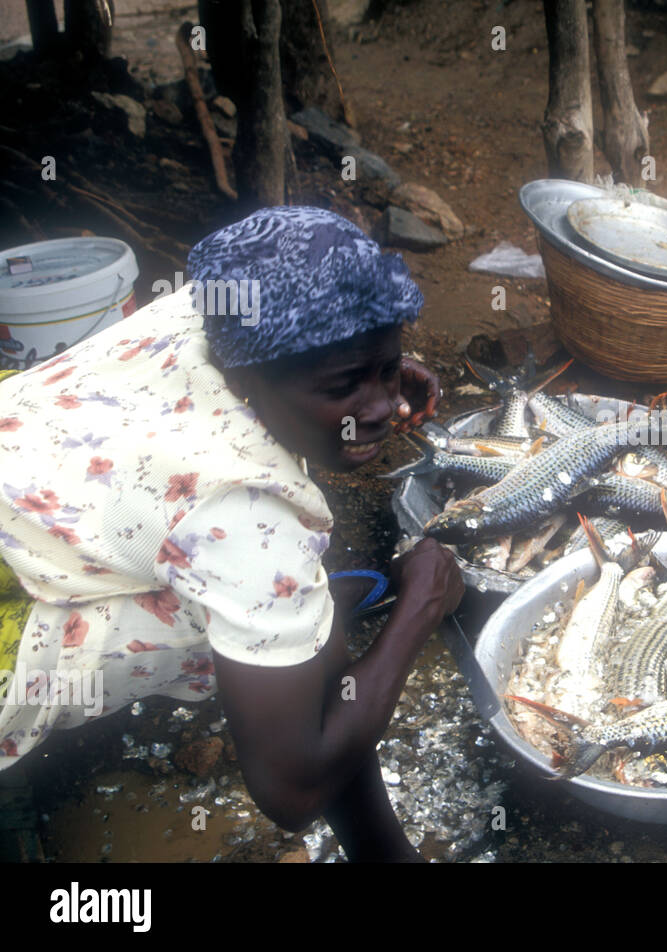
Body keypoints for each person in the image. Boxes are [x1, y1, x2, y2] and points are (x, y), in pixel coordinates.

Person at [0, 206, 464, 860]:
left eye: (387, 373)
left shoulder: (217, 306)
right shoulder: (246, 520)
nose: (385, 409)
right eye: (345, 385)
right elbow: (290, 792)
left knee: (293, 608)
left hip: (23, 480)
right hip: (11, 600)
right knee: (280, 599)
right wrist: (419, 607)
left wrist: (363, 369)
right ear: (244, 376)